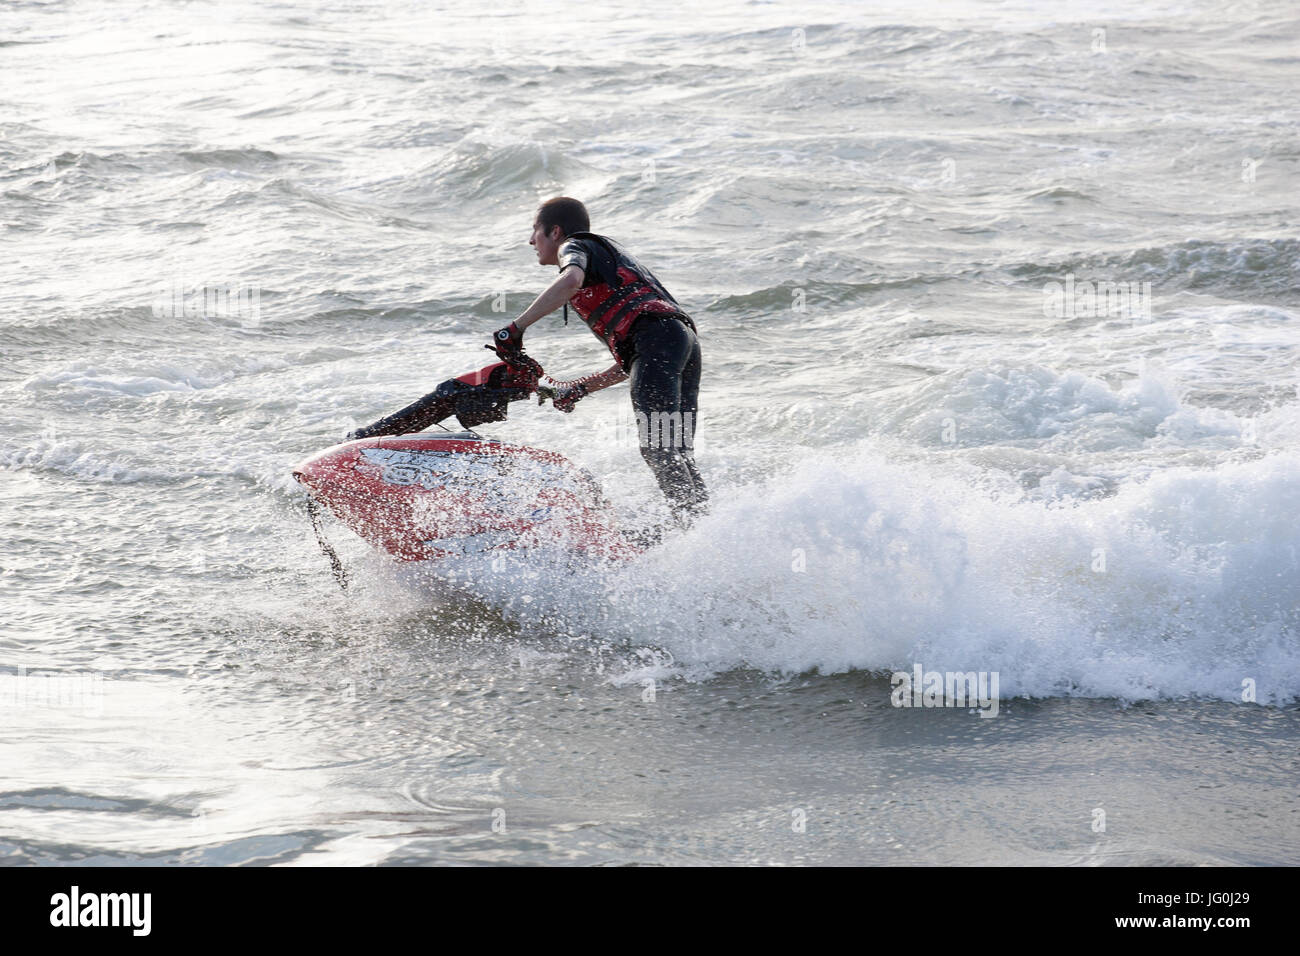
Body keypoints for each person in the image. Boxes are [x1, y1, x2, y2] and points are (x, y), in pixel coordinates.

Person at [492, 197, 707, 530]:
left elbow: (570, 282)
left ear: (555, 231)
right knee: (675, 450)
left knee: (659, 450)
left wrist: (516, 328)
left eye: (535, 231)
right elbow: (635, 361)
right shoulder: (610, 260)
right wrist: (581, 388)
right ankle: (708, 527)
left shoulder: (574, 246)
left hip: (661, 345)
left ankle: (695, 537)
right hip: (682, 347)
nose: (531, 240)